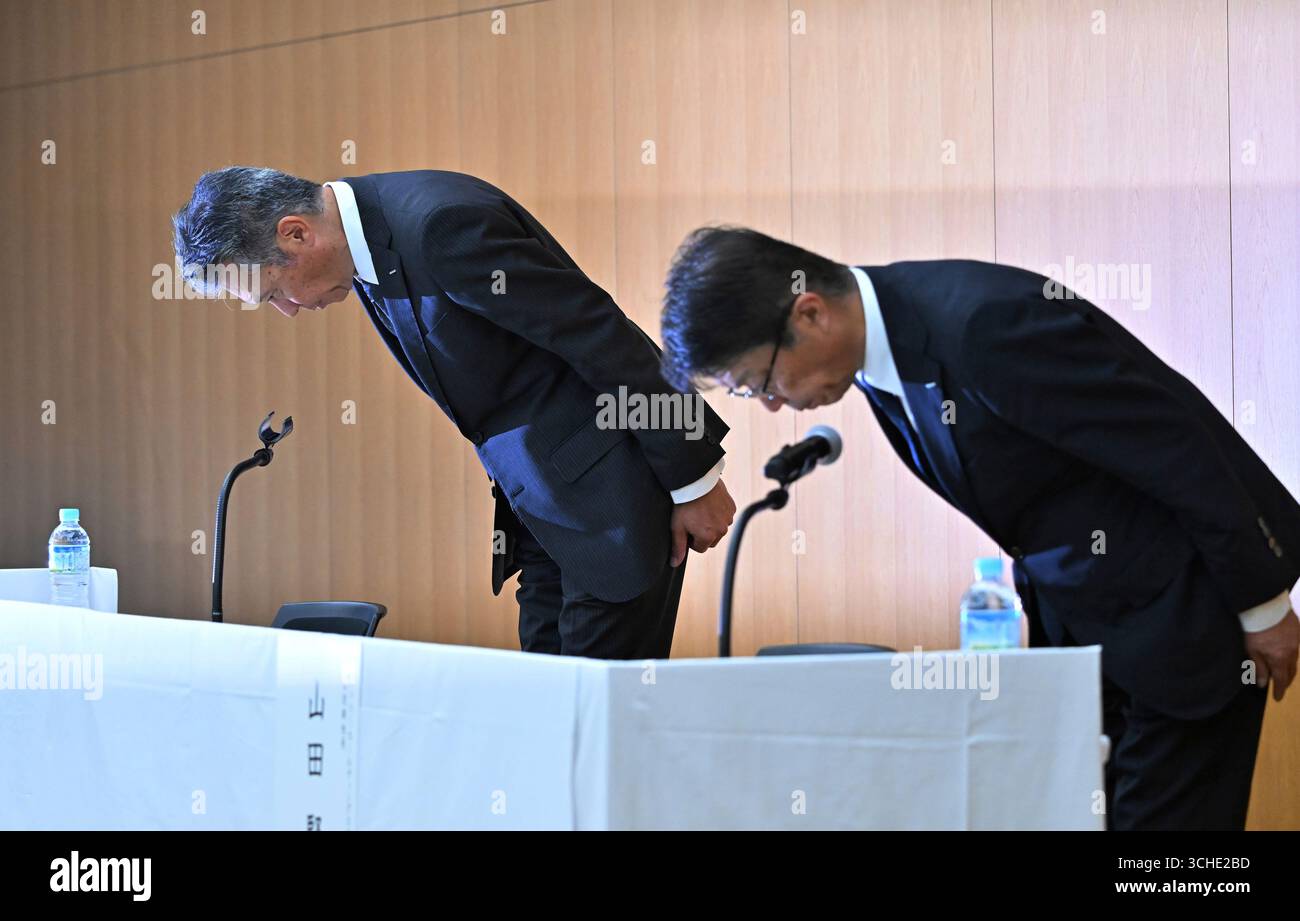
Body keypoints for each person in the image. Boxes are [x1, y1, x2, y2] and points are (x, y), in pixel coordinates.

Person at [658, 225, 1300, 829]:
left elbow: (1174, 447)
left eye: (760, 381)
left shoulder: (983, 324)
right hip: (1093, 637)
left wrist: (1262, 602)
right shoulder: (881, 362)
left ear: (810, 313)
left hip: (1182, 622)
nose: (774, 405)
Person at [171, 167, 736, 659]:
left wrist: (692, 477)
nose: (289, 312)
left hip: (615, 507)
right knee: (550, 718)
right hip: (547, 517)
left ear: (295, 234)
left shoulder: (442, 224)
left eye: (275, 293)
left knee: (601, 735)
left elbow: (598, 337)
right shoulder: (366, 245)